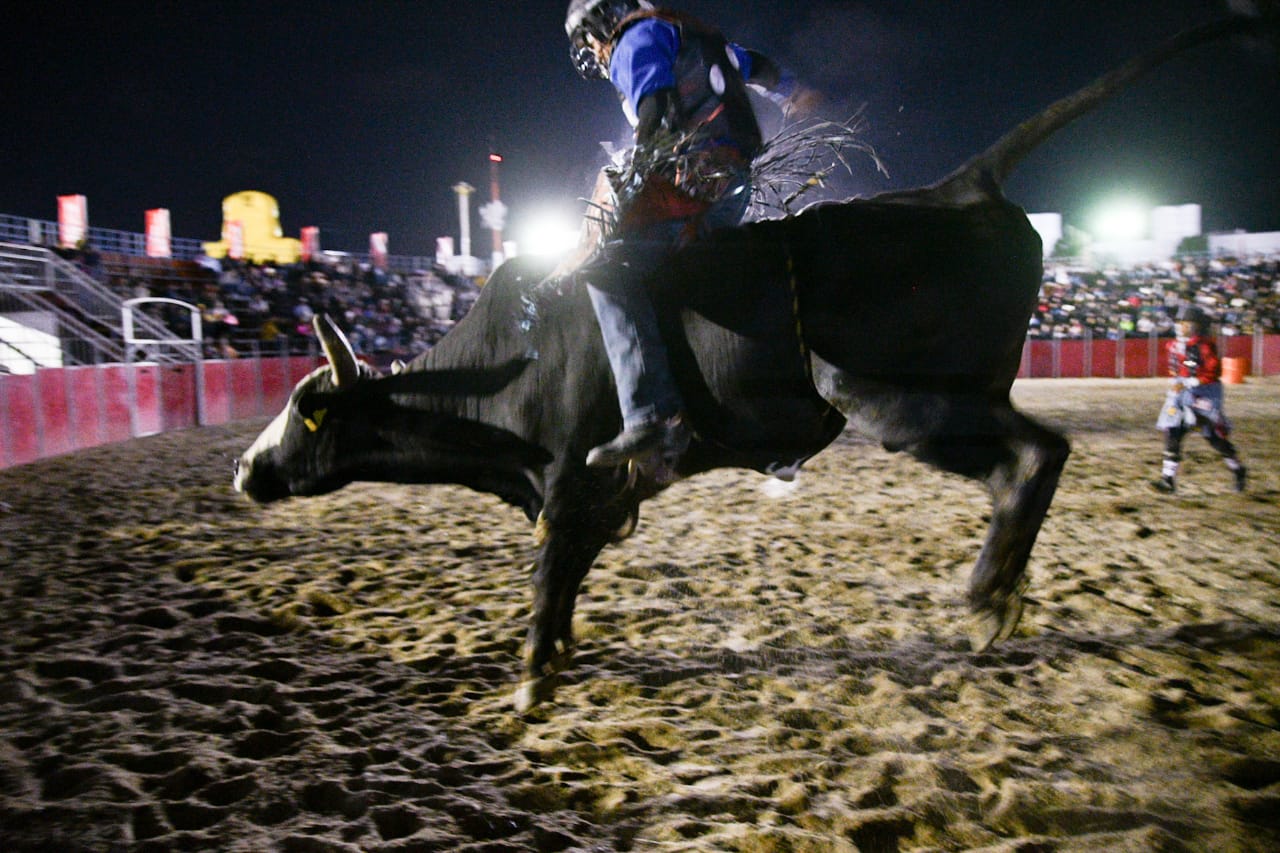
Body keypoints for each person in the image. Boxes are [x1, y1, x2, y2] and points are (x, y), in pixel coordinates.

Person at [564, 0, 814, 470]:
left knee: (608, 271)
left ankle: (650, 417)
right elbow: (754, 64)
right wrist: (792, 93)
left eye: (590, 42)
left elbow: (654, 114)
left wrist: (631, 178)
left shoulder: (631, 44)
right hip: (736, 182)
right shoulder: (685, 32)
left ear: (599, 28)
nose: (595, 53)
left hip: (694, 184)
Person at [1153, 304, 1247, 493]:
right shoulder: (1173, 345)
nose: (1181, 326)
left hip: (1205, 393)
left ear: (1195, 325)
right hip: (1182, 393)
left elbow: (1214, 372)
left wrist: (1188, 382)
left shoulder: (1204, 346)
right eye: (1180, 323)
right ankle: (1167, 480)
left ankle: (1238, 469)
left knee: (1213, 436)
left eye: (1185, 323)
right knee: (1173, 430)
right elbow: (1178, 369)